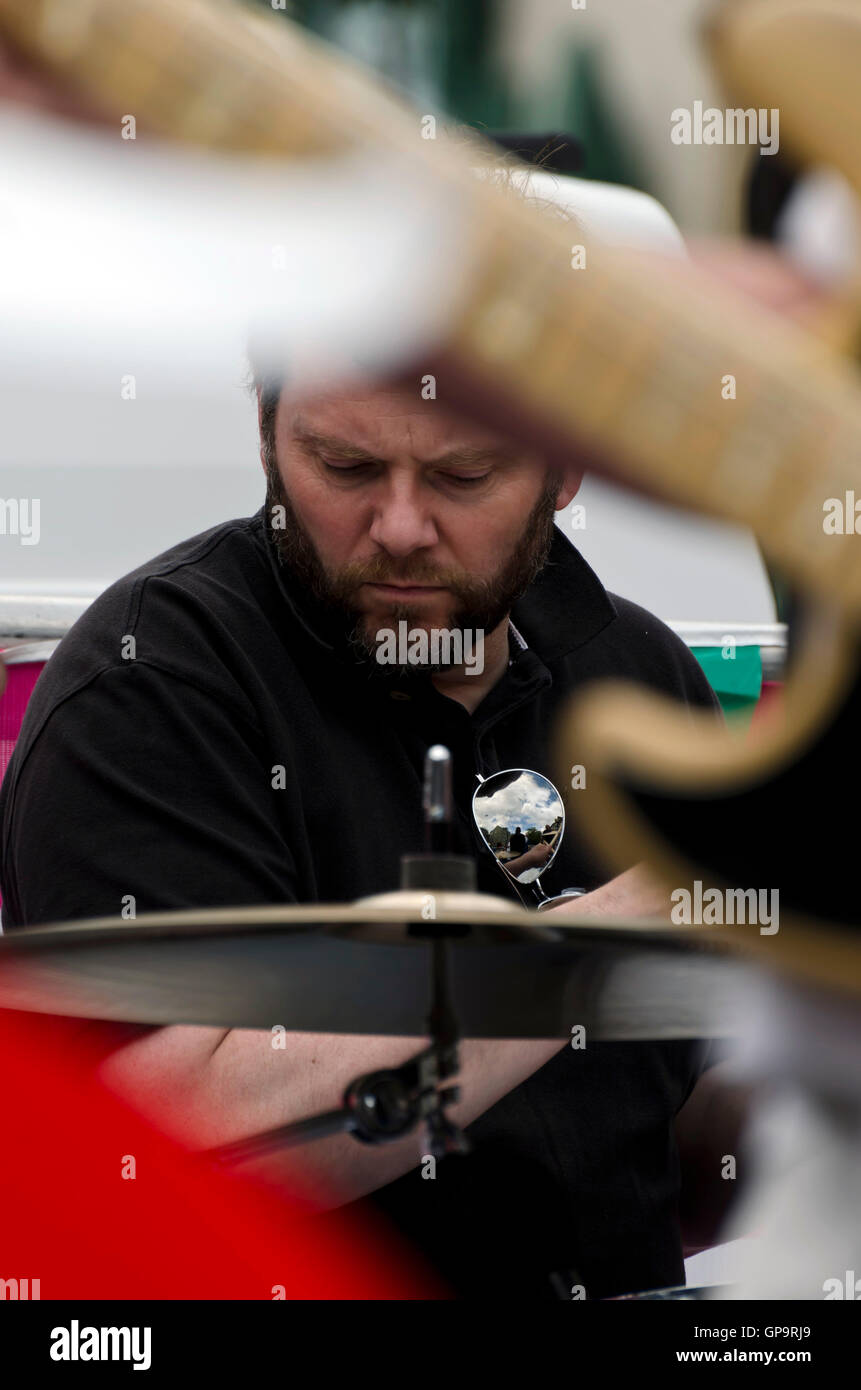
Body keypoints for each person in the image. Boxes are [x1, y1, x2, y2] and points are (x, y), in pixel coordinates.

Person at [0, 373, 722, 1299]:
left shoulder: (639, 670)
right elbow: (177, 1142)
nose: (400, 528)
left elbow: (675, 1111)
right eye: (344, 466)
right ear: (267, 436)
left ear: (566, 469)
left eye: (464, 476)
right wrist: (621, 921)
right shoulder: (152, 685)